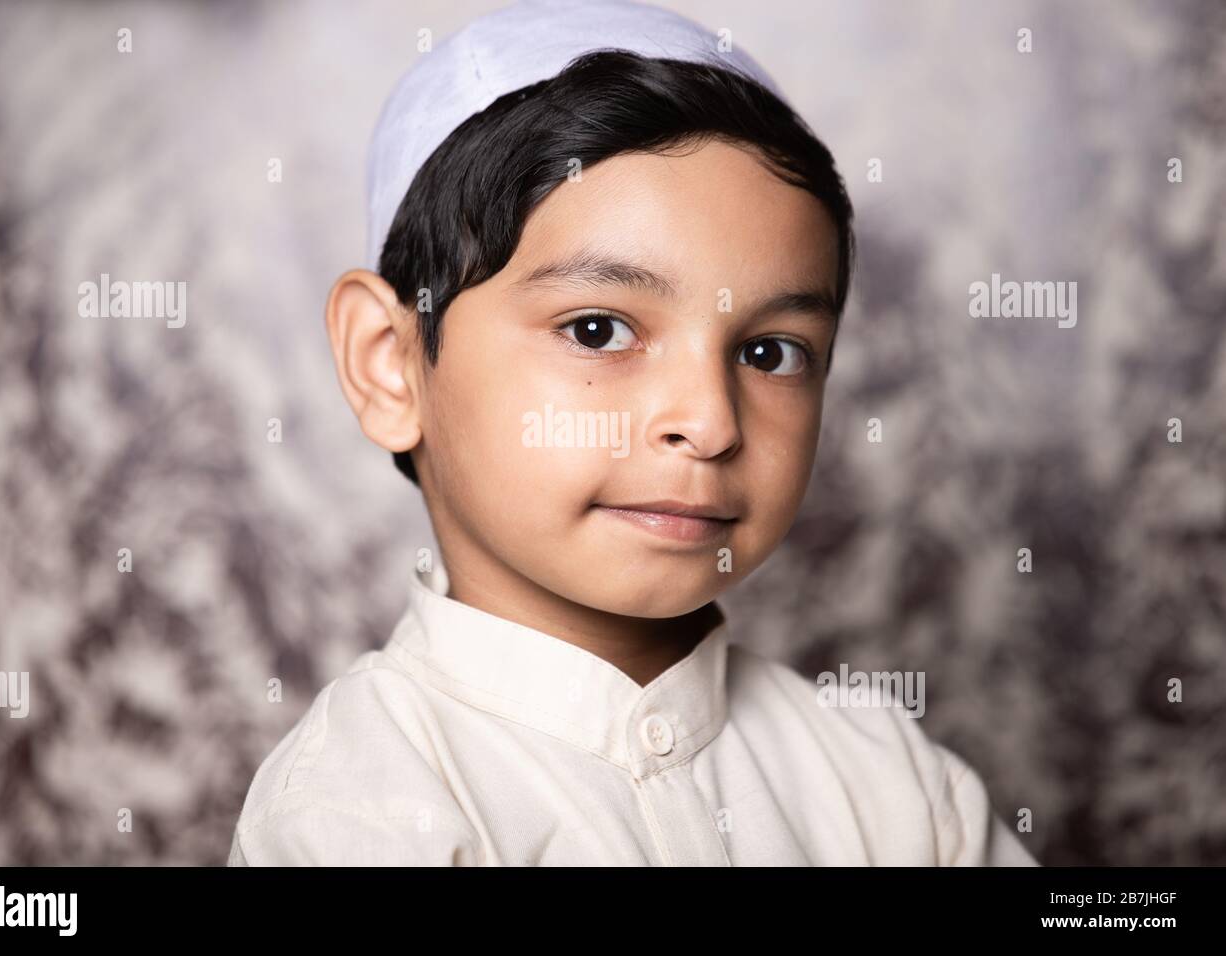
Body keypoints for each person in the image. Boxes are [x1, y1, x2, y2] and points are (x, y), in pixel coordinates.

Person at [228, 0, 1037, 866]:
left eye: (770, 351)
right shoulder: (360, 811)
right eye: (598, 330)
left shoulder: (895, 786)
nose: (709, 422)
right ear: (390, 362)